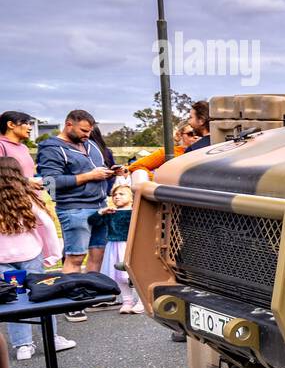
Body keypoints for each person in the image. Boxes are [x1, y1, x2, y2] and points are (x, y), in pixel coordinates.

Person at [35, 109, 116, 322]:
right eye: (83, 130)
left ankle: (90, 296)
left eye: (89, 131)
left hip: (100, 205)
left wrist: (111, 172)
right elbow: (50, 183)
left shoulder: (90, 144)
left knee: (97, 253)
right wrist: (89, 176)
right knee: (75, 256)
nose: (87, 135)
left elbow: (99, 169)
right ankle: (72, 302)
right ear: (68, 124)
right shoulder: (51, 148)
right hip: (74, 208)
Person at [0, 156, 75, 362]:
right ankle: (52, 338)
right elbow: (49, 225)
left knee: (13, 300)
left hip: (2, 261)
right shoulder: (28, 197)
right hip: (32, 254)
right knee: (43, 295)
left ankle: (23, 345)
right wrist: (54, 253)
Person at [98, 179, 141, 314]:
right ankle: (127, 300)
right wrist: (101, 213)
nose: (117, 196)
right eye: (115, 195)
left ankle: (141, 301)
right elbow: (93, 222)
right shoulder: (110, 213)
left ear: (132, 198)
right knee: (118, 275)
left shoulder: (135, 212)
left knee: (134, 274)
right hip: (114, 246)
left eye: (122, 194)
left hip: (129, 245)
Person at [126, 121, 195, 177]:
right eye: (191, 134)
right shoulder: (167, 152)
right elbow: (135, 166)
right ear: (179, 135)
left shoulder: (205, 150)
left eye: (199, 133)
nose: (196, 136)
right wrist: (157, 181)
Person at [0, 111, 38, 180]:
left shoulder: (24, 148)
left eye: (30, 124)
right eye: (26, 123)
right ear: (11, 124)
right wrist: (28, 181)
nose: (30, 128)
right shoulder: (1, 145)